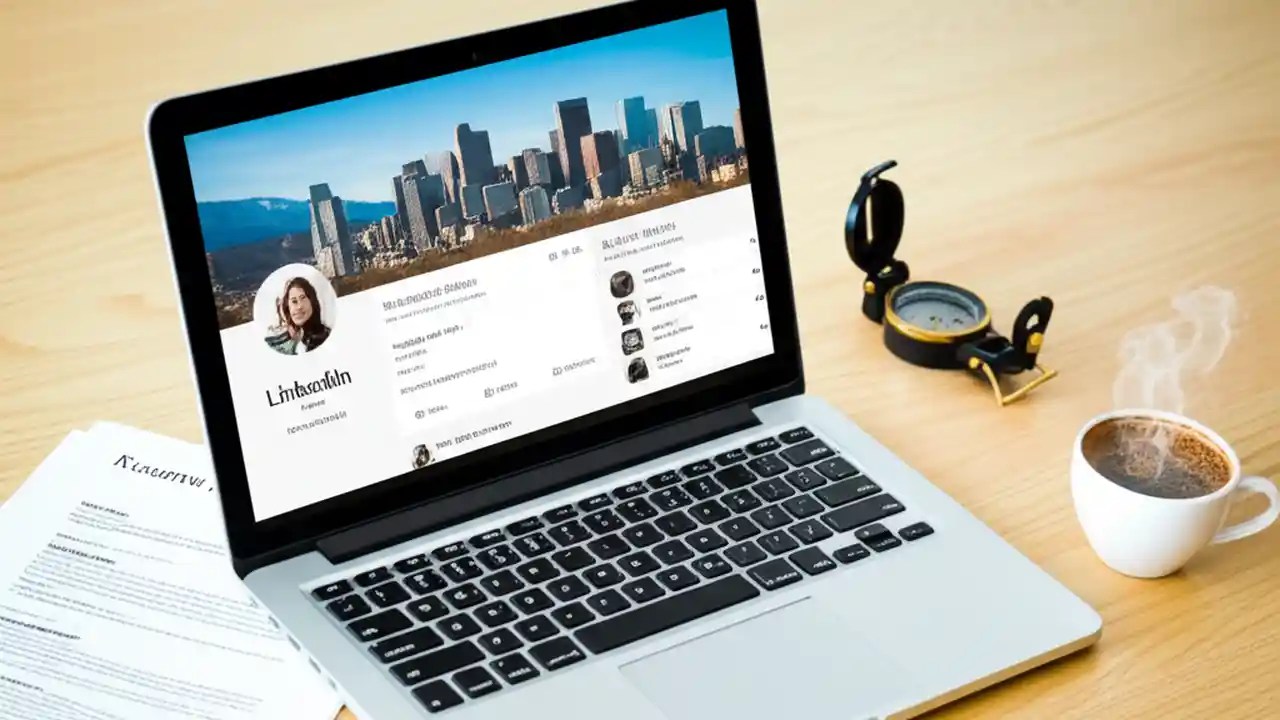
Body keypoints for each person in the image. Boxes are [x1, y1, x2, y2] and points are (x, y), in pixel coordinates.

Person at [264, 276, 331, 355]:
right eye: (294, 301)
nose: (299, 307)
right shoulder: (275, 343)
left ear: (312, 301)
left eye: (303, 298)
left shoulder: (326, 336)